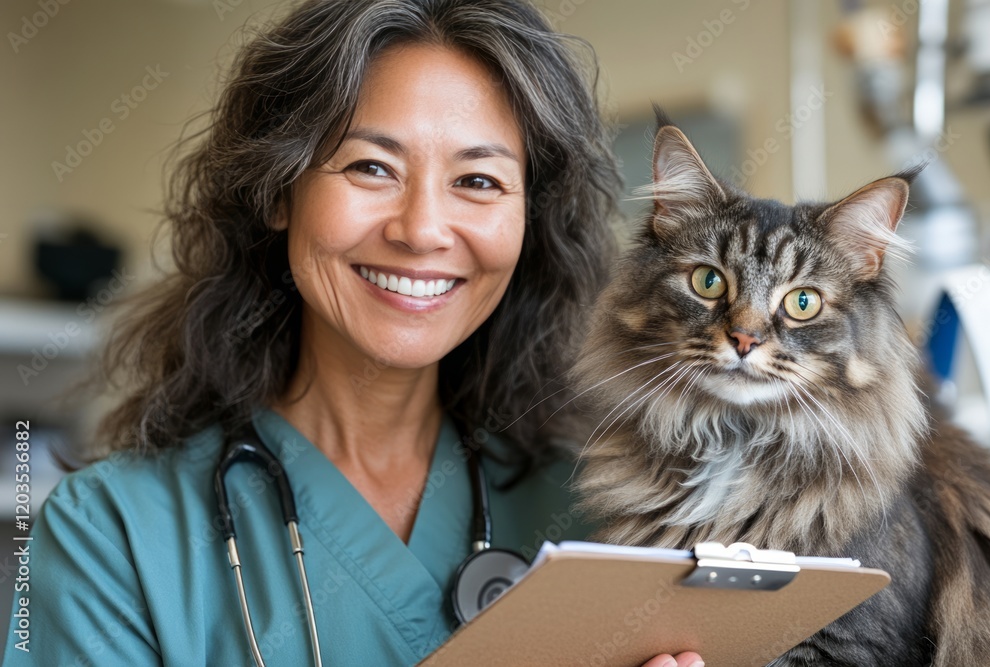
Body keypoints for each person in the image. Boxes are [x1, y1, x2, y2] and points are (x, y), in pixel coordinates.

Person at [4, 1, 704, 665]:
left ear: (530, 221)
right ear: (279, 189)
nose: (423, 229)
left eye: (480, 180)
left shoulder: (614, 514)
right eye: (371, 167)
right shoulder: (112, 536)